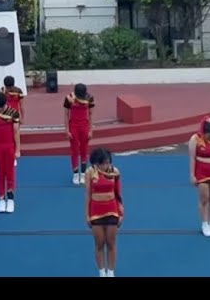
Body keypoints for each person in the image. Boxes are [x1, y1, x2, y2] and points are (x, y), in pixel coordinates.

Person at [84, 147, 123, 277]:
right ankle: (102, 272)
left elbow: (118, 193)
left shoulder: (115, 171)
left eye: (108, 162)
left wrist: (121, 212)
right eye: (103, 163)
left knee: (111, 243)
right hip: (96, 211)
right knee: (99, 243)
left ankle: (111, 272)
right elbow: (88, 194)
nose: (106, 166)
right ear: (96, 162)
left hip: (112, 210)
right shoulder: (90, 172)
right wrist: (87, 214)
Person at [0, 91, 22, 213]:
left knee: (10, 173)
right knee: (0, 174)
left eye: (1, 107)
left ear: (6, 103)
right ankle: (1, 199)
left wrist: (18, 150)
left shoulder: (13, 113)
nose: (0, 110)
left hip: (9, 146)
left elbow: (16, 132)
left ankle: (10, 199)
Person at [64, 83, 95, 185]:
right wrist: (67, 130)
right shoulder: (69, 98)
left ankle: (83, 174)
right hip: (73, 127)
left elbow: (91, 114)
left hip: (84, 127)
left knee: (84, 150)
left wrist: (91, 130)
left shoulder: (89, 98)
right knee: (74, 150)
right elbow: (66, 114)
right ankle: (76, 174)